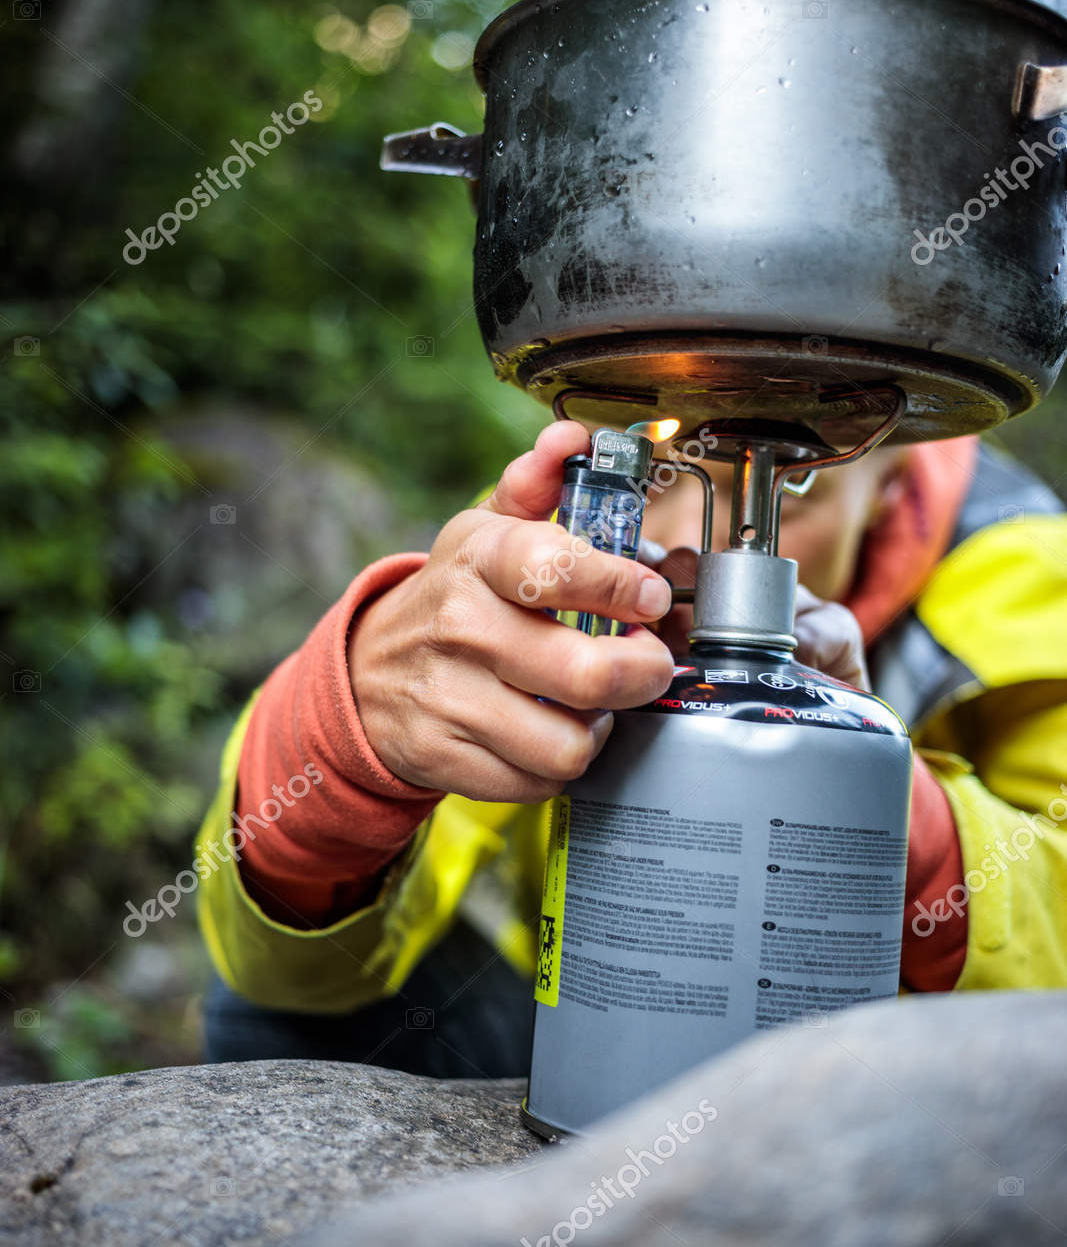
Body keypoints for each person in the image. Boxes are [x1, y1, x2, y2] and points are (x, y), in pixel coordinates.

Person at [196, 419, 1067, 1075]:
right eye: (653, 480)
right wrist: (345, 746)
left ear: (893, 486)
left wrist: (881, 813)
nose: (686, 552)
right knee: (277, 1020)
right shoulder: (555, 551)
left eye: (789, 488)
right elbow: (292, 974)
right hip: (593, 1033)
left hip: (881, 1085)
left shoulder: (1029, 583)